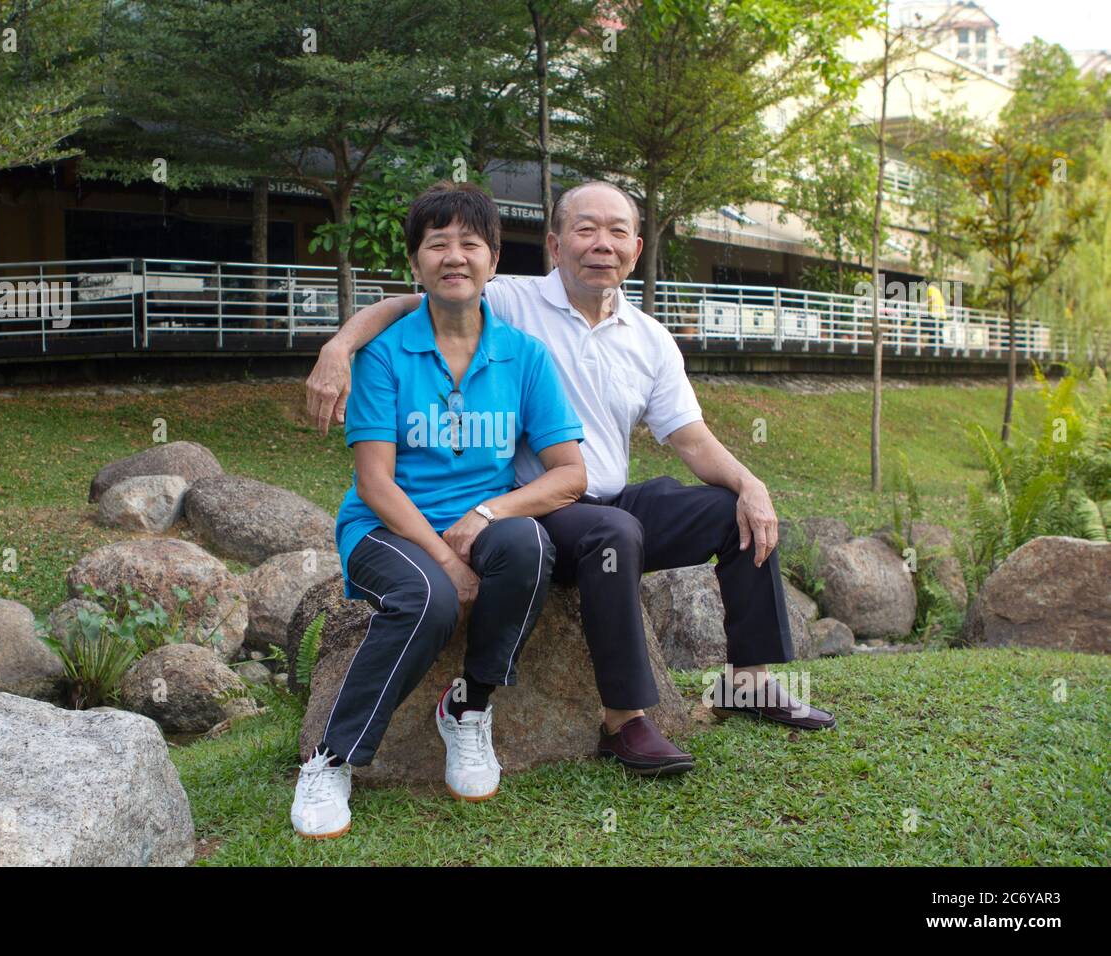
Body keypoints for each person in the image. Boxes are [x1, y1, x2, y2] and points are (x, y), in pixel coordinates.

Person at [307, 181, 837, 781]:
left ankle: (750, 680)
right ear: (554, 245)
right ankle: (624, 720)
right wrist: (340, 344)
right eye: (585, 230)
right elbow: (413, 303)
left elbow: (691, 439)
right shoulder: (511, 300)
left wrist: (751, 483)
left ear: (636, 248)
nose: (601, 245)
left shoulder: (649, 338)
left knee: (732, 511)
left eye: (616, 232)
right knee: (612, 533)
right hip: (537, 507)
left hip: (606, 494)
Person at [291, 182, 588, 839]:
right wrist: (442, 558)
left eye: (470, 243)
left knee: (529, 547)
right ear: (416, 263)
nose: (455, 256)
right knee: (431, 598)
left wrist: (486, 515)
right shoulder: (386, 355)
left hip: (472, 522)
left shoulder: (524, 356)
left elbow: (571, 474)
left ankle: (469, 708)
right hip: (384, 529)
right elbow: (374, 483)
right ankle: (331, 758)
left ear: (493, 259)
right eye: (437, 245)